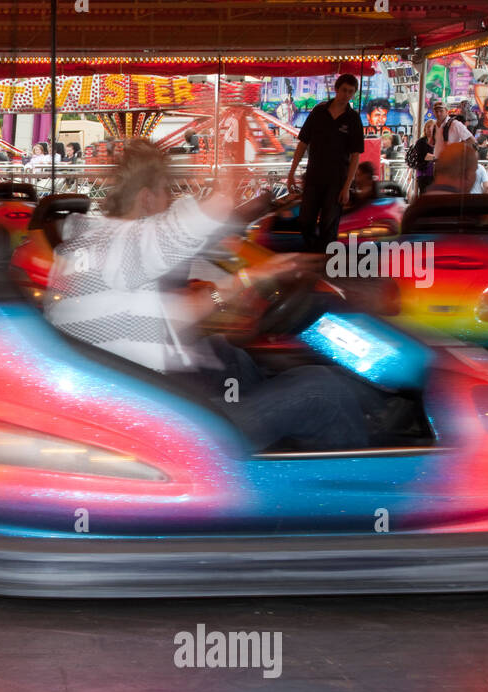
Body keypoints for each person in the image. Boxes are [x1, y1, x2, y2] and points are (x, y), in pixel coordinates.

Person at [47, 139, 373, 451]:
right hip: (147, 429)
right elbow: (188, 227)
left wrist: (247, 281)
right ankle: (358, 494)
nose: (172, 200)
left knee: (227, 355)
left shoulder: (102, 247)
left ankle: (278, 458)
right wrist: (227, 193)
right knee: (321, 391)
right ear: (146, 197)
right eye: (167, 191)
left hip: (135, 405)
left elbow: (181, 314)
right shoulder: (120, 244)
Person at [286, 73, 364, 252]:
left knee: (329, 225)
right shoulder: (318, 112)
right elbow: (302, 144)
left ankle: (324, 262)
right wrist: (291, 173)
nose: (346, 95)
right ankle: (316, 255)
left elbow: (355, 155)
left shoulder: (353, 119)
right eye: (344, 90)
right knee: (305, 220)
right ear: (337, 90)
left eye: (351, 92)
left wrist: (347, 186)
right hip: (314, 176)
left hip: (337, 180)